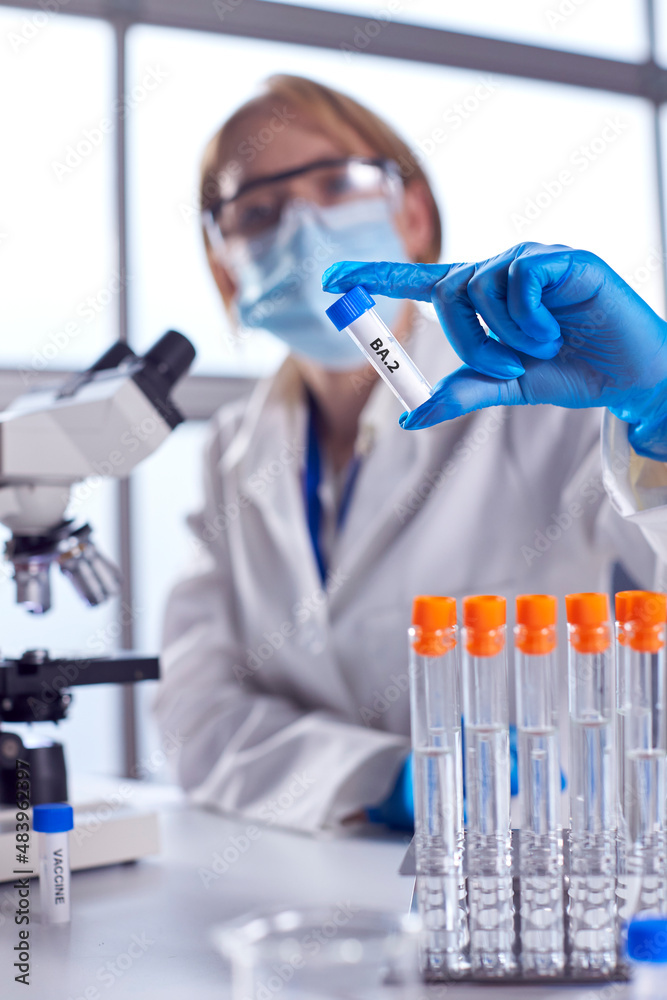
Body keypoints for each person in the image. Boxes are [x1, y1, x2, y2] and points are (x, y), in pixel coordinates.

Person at [154, 75, 659, 835]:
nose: (301, 225)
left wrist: (657, 416)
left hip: (533, 857)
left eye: (335, 182)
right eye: (256, 210)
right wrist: (383, 776)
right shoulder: (234, 449)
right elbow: (195, 711)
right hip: (315, 872)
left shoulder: (540, 404)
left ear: (412, 213)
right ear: (224, 265)